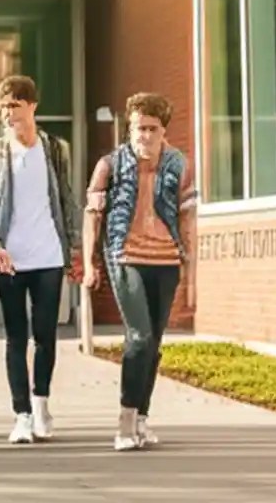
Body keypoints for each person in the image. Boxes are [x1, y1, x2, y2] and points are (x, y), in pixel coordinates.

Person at [83, 92, 196, 451]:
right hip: (125, 255)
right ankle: (125, 421)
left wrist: (192, 276)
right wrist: (89, 264)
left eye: (151, 129)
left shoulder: (180, 165)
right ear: (128, 128)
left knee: (154, 344)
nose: (144, 136)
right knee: (140, 337)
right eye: (137, 128)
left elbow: (188, 219)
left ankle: (142, 419)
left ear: (163, 131)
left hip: (166, 260)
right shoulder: (110, 165)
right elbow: (92, 216)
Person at [0, 75, 80, 444]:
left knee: (46, 335)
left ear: (32, 106)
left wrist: (75, 249)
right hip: (10, 260)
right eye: (3, 107)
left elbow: (66, 201)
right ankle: (20, 414)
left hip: (48, 255)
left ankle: (41, 404)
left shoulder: (55, 150)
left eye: (15, 105)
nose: (8, 113)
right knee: (15, 336)